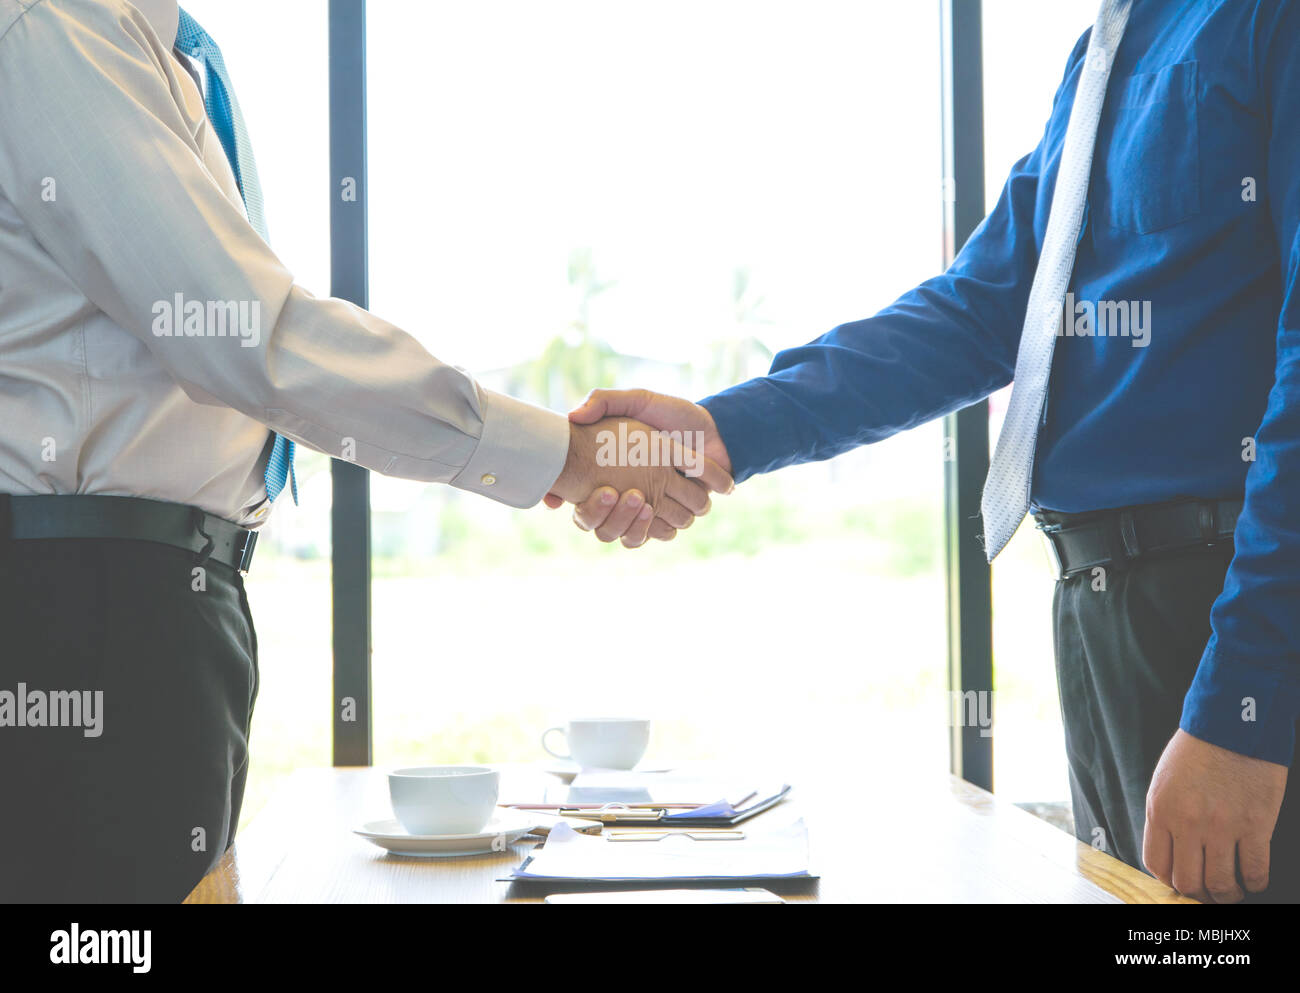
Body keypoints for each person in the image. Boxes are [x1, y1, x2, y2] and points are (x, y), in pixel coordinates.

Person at [560, 0, 1300, 903]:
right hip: (1104, 617)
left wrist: (1244, 704)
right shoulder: (1108, 51)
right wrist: (717, 431)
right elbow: (983, 308)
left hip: (1234, 610)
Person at [0, 0, 729, 902]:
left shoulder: (153, 49)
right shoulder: (59, 25)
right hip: (84, 599)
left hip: (161, 592)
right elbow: (250, 335)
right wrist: (568, 458)